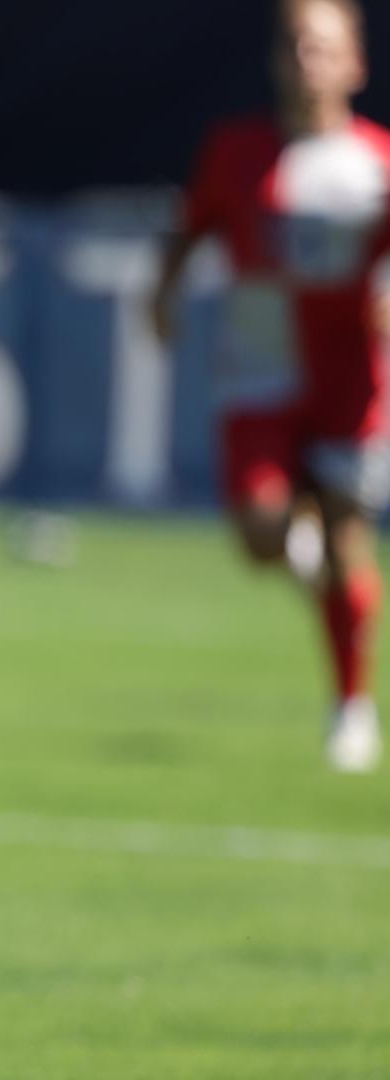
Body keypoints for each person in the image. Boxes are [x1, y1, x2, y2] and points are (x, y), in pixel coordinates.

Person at [152, 0, 386, 774]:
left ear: (354, 64)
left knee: (347, 542)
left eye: (322, 48)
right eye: (294, 47)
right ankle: (304, 543)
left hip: (351, 378)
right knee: (260, 531)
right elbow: (193, 227)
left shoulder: (378, 162)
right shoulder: (238, 151)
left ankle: (350, 705)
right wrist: (163, 291)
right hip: (261, 370)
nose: (306, 61)